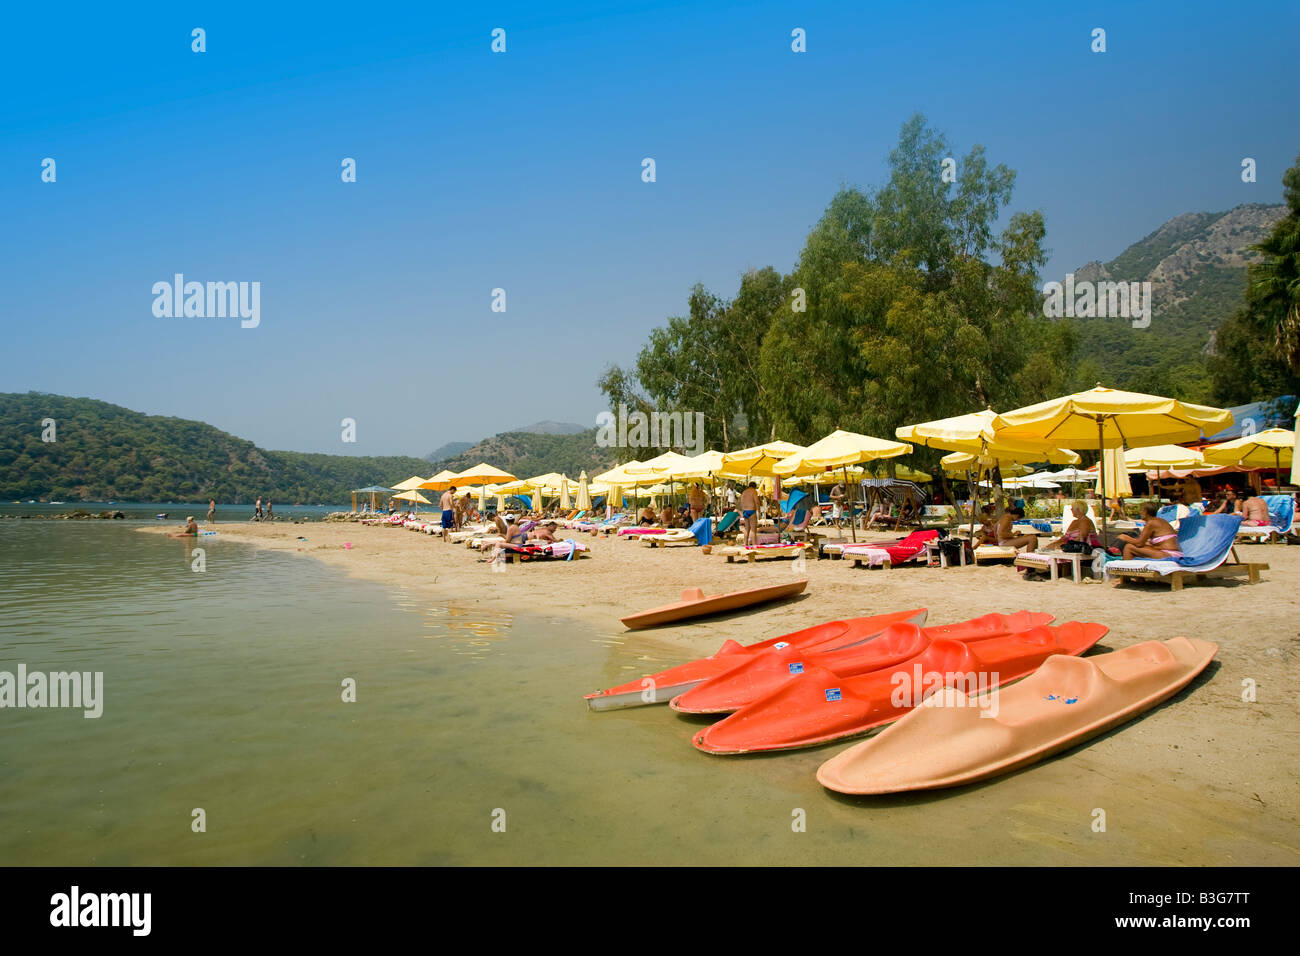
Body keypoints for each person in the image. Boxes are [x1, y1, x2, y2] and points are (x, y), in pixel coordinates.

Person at [1116, 502, 1182, 559]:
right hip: (1171, 553)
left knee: (1129, 547)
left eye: (1141, 510)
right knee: (1138, 547)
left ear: (1146, 512)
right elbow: (1145, 542)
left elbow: (1139, 543)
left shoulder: (1151, 523)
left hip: (1169, 554)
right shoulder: (1159, 521)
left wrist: (1125, 538)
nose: (1140, 512)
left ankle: (1126, 572)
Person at [740, 481, 759, 547]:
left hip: (745, 511)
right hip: (751, 510)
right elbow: (756, 501)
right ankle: (754, 545)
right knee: (753, 529)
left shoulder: (744, 492)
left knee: (746, 528)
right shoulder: (754, 491)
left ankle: (745, 544)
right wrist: (758, 510)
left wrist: (743, 511)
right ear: (755, 486)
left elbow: (741, 502)